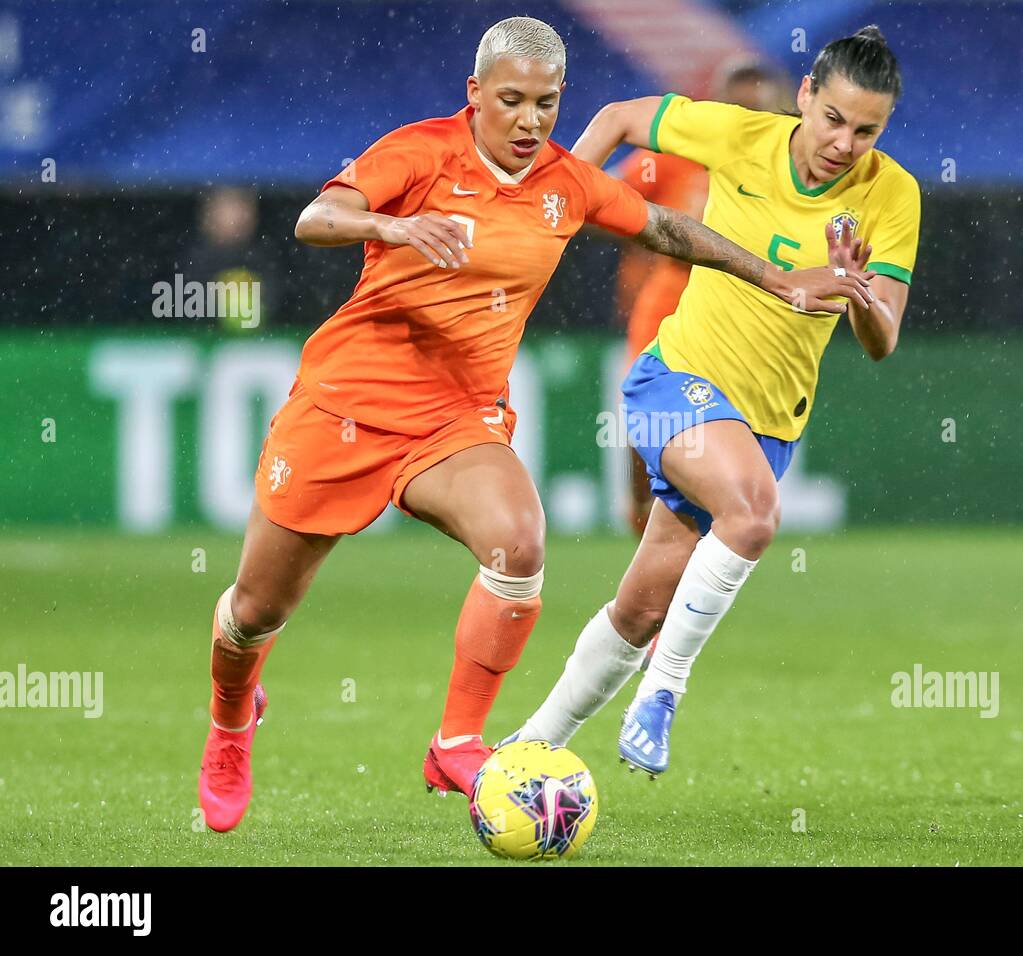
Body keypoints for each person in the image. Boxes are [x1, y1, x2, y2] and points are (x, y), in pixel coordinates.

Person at [197, 16, 873, 831]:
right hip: (343, 407)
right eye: (511, 101)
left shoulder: (565, 181)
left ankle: (456, 739)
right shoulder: (418, 152)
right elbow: (318, 217)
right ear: (476, 93)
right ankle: (232, 721)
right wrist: (394, 225)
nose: (529, 121)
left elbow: (667, 229)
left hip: (454, 418)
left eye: (546, 104)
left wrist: (780, 280)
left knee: (519, 545)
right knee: (254, 613)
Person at [509, 26, 921, 776]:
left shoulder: (892, 193)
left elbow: (881, 338)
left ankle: (523, 749)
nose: (844, 142)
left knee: (639, 610)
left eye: (867, 130)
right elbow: (619, 117)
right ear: (806, 97)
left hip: (768, 424)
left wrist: (858, 290)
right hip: (678, 378)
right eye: (833, 119)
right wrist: (547, 204)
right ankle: (663, 692)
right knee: (754, 514)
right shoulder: (741, 135)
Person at [616, 58, 789, 535]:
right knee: (646, 416)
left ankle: (716, 519)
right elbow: (603, 198)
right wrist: (646, 233)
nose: (747, 120)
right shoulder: (676, 158)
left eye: (758, 110)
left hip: (745, 307)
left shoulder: (791, 171)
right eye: (738, 108)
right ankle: (641, 518)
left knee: (735, 420)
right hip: (673, 293)